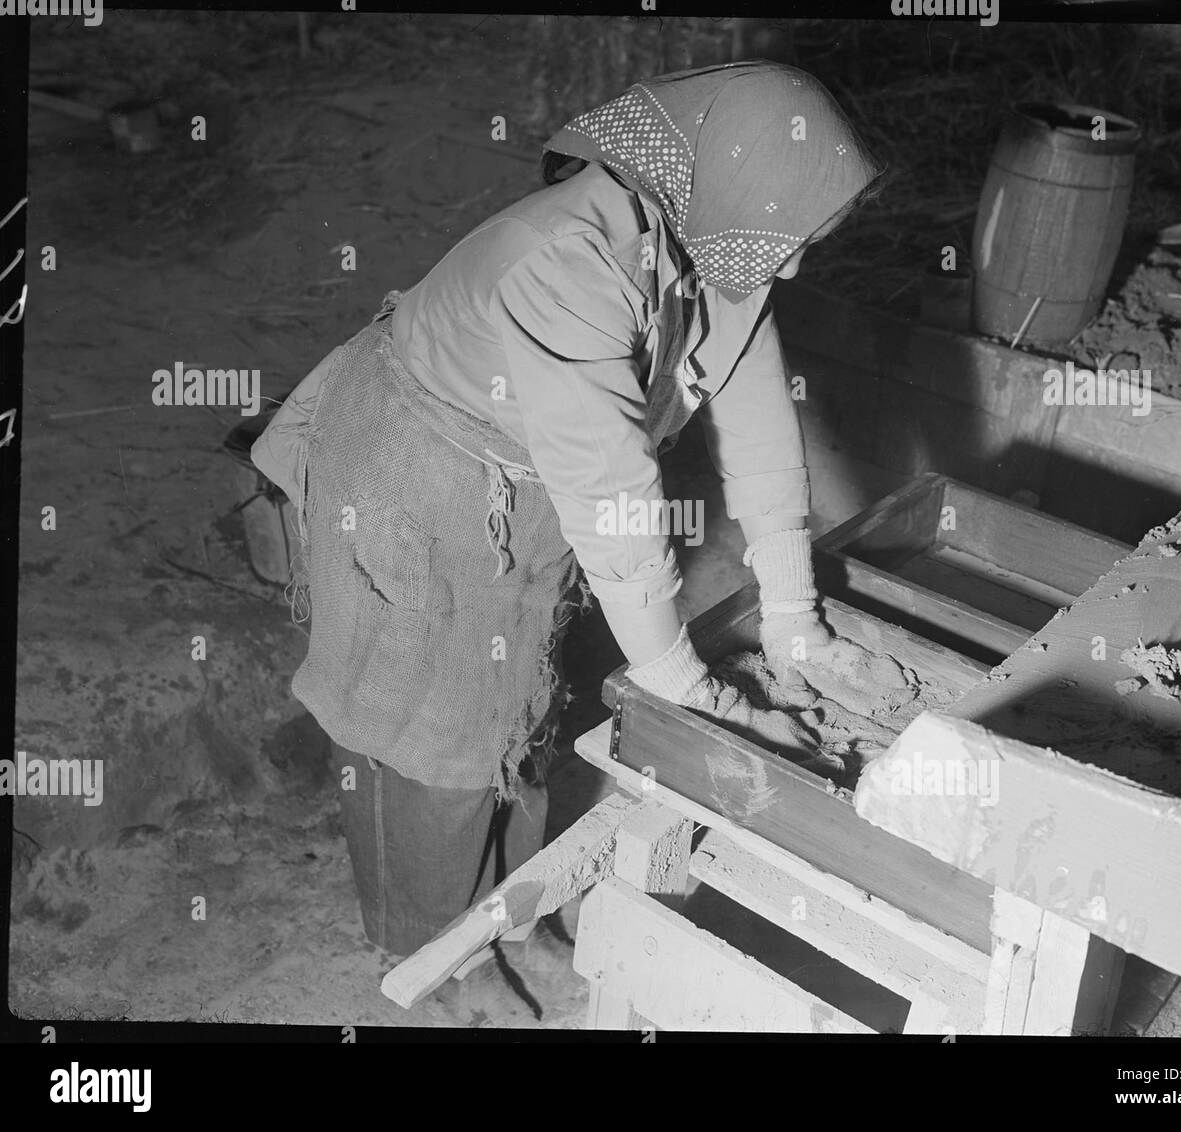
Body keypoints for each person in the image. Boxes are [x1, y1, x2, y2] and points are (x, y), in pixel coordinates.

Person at [251, 60, 887, 960]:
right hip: (419, 472)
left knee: (521, 698)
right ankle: (427, 946)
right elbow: (615, 501)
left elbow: (759, 425)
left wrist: (795, 620)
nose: (797, 260)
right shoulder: (564, 262)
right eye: (788, 236)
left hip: (523, 477)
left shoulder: (719, 233)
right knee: (427, 732)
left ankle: (506, 911)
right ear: (737, 192)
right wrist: (695, 696)